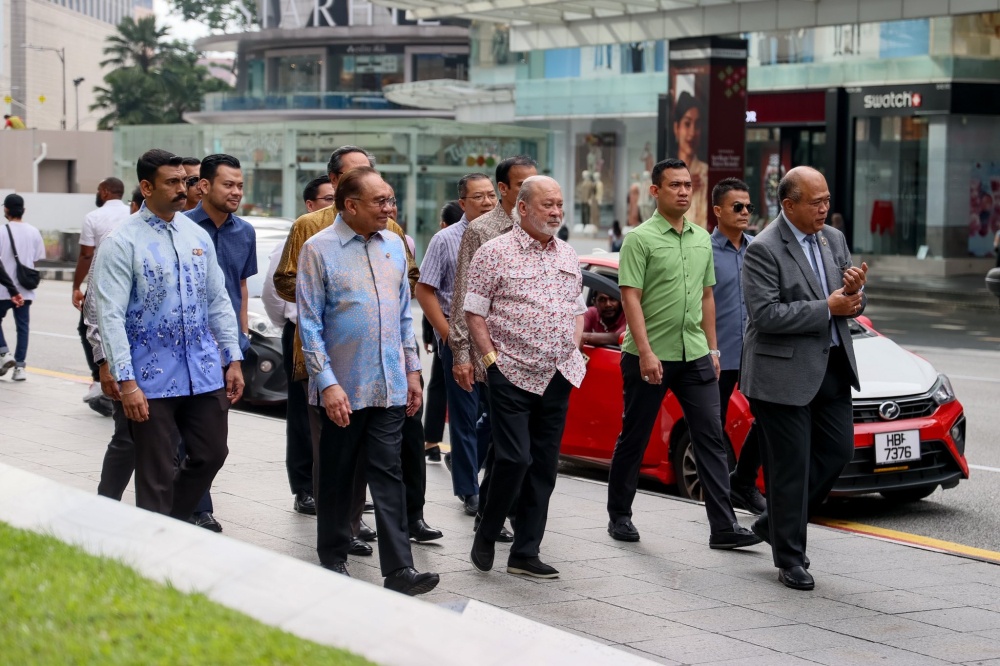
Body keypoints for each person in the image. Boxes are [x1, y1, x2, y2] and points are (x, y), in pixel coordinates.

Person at [273, 146, 434, 549]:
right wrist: (326, 383)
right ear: (349, 201)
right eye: (381, 200)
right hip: (341, 385)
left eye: (390, 199)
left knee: (388, 471)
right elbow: (308, 322)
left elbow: (402, 316)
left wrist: (412, 373)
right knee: (337, 473)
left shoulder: (395, 244)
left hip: (390, 383)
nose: (389, 208)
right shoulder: (316, 244)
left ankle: (400, 567)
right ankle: (333, 551)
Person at [605, 159, 761, 550]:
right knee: (635, 435)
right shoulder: (639, 239)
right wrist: (644, 352)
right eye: (674, 185)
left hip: (695, 355)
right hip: (650, 355)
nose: (683, 191)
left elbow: (708, 297)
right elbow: (631, 298)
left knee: (710, 437)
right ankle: (619, 514)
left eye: (688, 185)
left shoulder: (699, 239)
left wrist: (712, 348)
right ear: (655, 191)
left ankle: (723, 527)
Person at [94, 148, 244, 519]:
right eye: (172, 182)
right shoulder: (121, 241)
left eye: (186, 181)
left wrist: (233, 357)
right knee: (156, 472)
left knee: (212, 453)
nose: (183, 189)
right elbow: (109, 315)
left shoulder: (196, 235)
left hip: (203, 370)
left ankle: (166, 522)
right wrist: (125, 381)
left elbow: (217, 300)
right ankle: (154, 550)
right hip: (149, 378)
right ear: (147, 187)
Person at [741, 166, 868, 591]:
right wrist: (827, 308)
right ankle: (790, 558)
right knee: (790, 469)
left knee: (838, 452)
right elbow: (765, 315)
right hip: (781, 374)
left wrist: (855, 292)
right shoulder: (763, 248)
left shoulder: (833, 239)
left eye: (827, 200)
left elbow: (848, 299)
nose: (825, 209)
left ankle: (774, 520)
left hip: (831, 366)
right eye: (816, 202)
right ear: (788, 204)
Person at [466, 175, 586, 579]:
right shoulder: (493, 252)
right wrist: (490, 361)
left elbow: (576, 310)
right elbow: (474, 312)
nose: (555, 212)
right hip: (510, 373)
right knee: (514, 458)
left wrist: (573, 348)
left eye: (559, 205)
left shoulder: (568, 254)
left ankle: (525, 551)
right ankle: (487, 527)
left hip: (558, 374)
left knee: (544, 467)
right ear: (523, 207)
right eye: (546, 204)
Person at [450, 155, 538, 542]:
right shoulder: (481, 231)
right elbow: (463, 300)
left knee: (512, 441)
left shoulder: (543, 228)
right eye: (524, 186)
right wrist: (464, 355)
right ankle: (498, 512)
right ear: (504, 189)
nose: (533, 193)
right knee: (508, 442)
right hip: (494, 357)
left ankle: (492, 508)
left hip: (534, 357)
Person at [182, 153, 257, 532]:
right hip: (183, 344)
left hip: (223, 346)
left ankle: (191, 500)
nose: (236, 192)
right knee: (179, 431)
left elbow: (239, 287)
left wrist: (239, 342)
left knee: (211, 436)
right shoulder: (180, 228)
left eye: (240, 185)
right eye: (228, 184)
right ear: (204, 186)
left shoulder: (244, 232)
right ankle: (195, 507)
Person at [415, 174, 497, 517]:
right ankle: (468, 490)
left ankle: (464, 459)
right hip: (460, 341)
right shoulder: (445, 240)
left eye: (492, 195)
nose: (488, 202)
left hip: (496, 342)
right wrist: (447, 333)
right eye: (479, 197)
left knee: (497, 414)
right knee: (463, 417)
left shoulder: (506, 234)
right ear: (462, 203)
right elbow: (424, 289)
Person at [259, 176, 334, 516]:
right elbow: (273, 294)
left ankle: (339, 485)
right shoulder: (299, 238)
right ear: (310, 205)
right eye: (327, 199)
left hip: (343, 336)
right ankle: (304, 488)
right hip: (302, 333)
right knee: (304, 415)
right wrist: (289, 325)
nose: (334, 206)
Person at [709, 178, 766, 515]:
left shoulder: (760, 248)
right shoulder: (704, 251)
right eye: (737, 207)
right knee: (711, 431)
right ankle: (719, 506)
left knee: (769, 418)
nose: (745, 212)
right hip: (716, 356)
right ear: (718, 211)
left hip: (757, 354)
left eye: (749, 206)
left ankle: (742, 483)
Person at [72, 177, 130, 416]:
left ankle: (99, 379)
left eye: (98, 190)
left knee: (87, 327)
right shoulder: (132, 213)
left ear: (105, 192)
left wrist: (77, 286)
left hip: (102, 282)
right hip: (128, 283)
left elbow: (87, 256)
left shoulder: (93, 217)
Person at [423, 201, 466, 463]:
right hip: (448, 331)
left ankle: (431, 441)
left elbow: (433, 295)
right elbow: (428, 292)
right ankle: (438, 443)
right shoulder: (444, 242)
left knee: (439, 385)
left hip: (444, 330)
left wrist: (431, 335)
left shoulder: (441, 240)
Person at [0, 194, 45, 382]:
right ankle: (20, 368)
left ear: (6, 210)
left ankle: (4, 352)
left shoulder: (1, 231)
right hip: (25, 289)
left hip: (3, 288)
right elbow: (36, 259)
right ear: (23, 210)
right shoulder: (33, 231)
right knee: (23, 328)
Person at [672, 92, 708, 229]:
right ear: (676, 128)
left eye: (697, 125)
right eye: (687, 124)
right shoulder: (665, 173)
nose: (692, 133)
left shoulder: (705, 173)